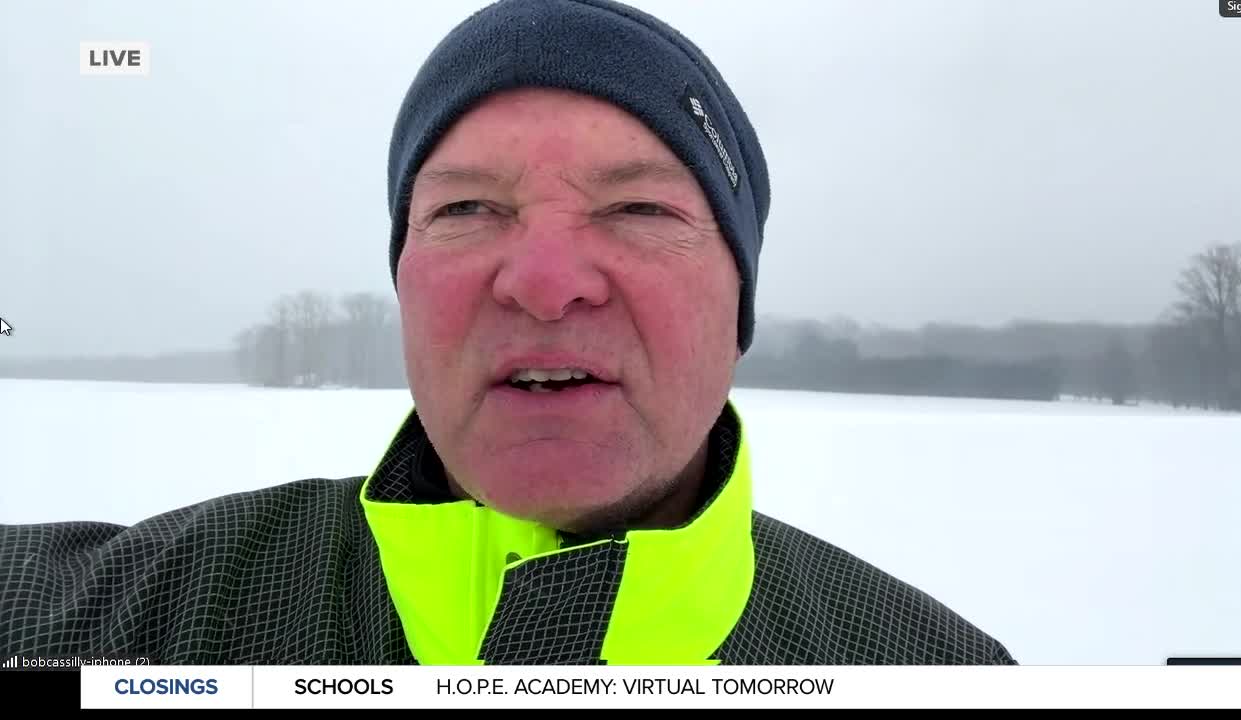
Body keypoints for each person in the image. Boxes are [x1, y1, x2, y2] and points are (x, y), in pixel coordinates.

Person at [0, 0, 1015, 666]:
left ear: (737, 300)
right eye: (466, 210)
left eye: (638, 211)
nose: (540, 285)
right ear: (401, 284)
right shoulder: (145, 625)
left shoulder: (931, 671)